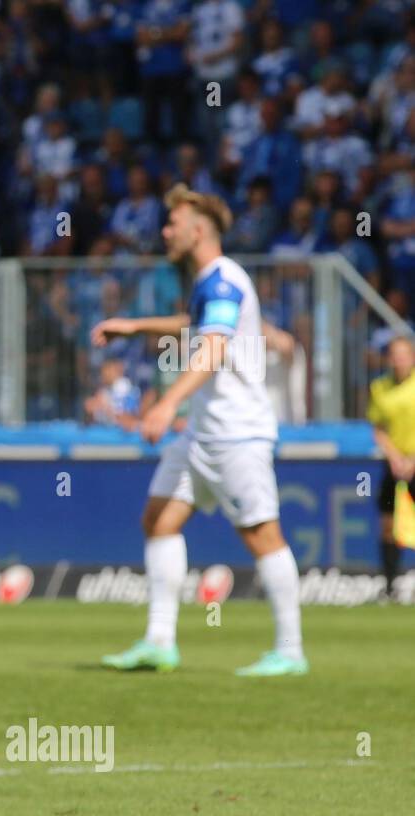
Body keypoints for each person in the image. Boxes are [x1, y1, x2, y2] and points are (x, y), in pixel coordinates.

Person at [91, 184, 308, 677]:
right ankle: (160, 642)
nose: (165, 231)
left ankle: (291, 650)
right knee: (159, 520)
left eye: (173, 224)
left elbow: (210, 349)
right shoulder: (209, 283)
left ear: (198, 229)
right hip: (203, 436)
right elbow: (194, 326)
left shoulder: (225, 279)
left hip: (236, 432)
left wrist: (167, 404)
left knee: (261, 535)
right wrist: (134, 326)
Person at [368, 336, 415, 596]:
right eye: (395, 355)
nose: (399, 360)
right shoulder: (380, 388)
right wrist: (396, 458)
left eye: (404, 355)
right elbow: (378, 429)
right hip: (395, 465)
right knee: (388, 525)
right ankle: (390, 586)